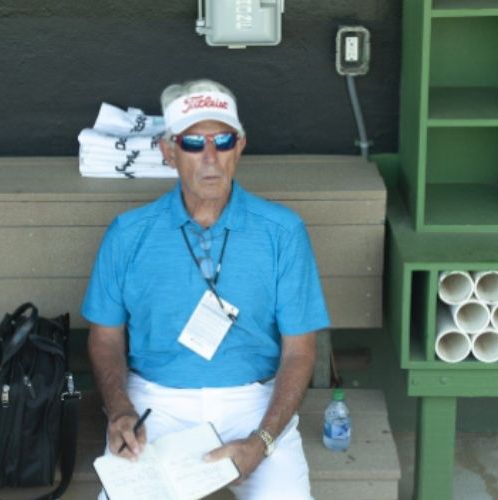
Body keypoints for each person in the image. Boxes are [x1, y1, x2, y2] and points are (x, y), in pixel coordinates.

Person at [82, 79, 329, 500]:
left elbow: (300, 351)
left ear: (241, 146)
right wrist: (120, 411)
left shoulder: (282, 232)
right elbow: (105, 338)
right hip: (156, 404)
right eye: (194, 142)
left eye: (223, 140)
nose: (210, 157)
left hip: (255, 401)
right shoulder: (129, 234)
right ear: (168, 151)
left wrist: (263, 440)